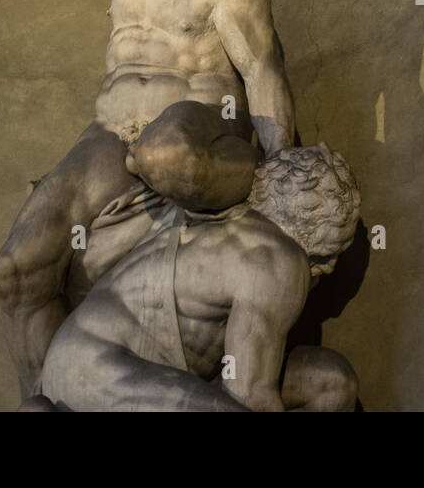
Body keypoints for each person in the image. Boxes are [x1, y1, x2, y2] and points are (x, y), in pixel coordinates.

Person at [0, 0, 295, 396]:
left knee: (164, 150)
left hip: (201, 118)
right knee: (17, 266)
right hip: (110, 132)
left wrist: (280, 169)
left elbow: (261, 69)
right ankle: (48, 400)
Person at [38, 108, 360, 412]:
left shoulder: (230, 215)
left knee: (333, 384)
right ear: (322, 248)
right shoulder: (278, 260)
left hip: (147, 368)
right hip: (94, 368)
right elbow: (251, 397)